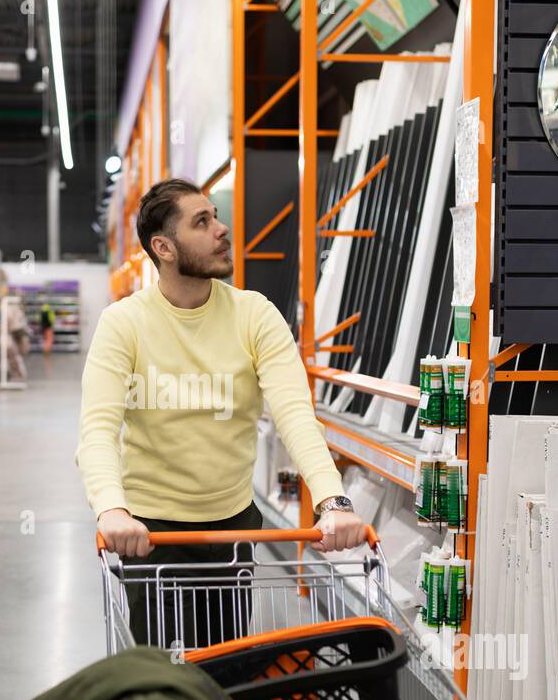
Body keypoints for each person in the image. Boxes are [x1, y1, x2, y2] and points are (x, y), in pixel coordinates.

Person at [76, 178, 367, 649]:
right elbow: (97, 430)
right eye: (203, 221)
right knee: (164, 680)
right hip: (150, 536)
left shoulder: (254, 315)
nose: (222, 229)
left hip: (231, 527)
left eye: (216, 216)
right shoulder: (124, 324)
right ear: (164, 247)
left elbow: (295, 414)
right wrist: (112, 509)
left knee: (223, 669)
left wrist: (332, 501)